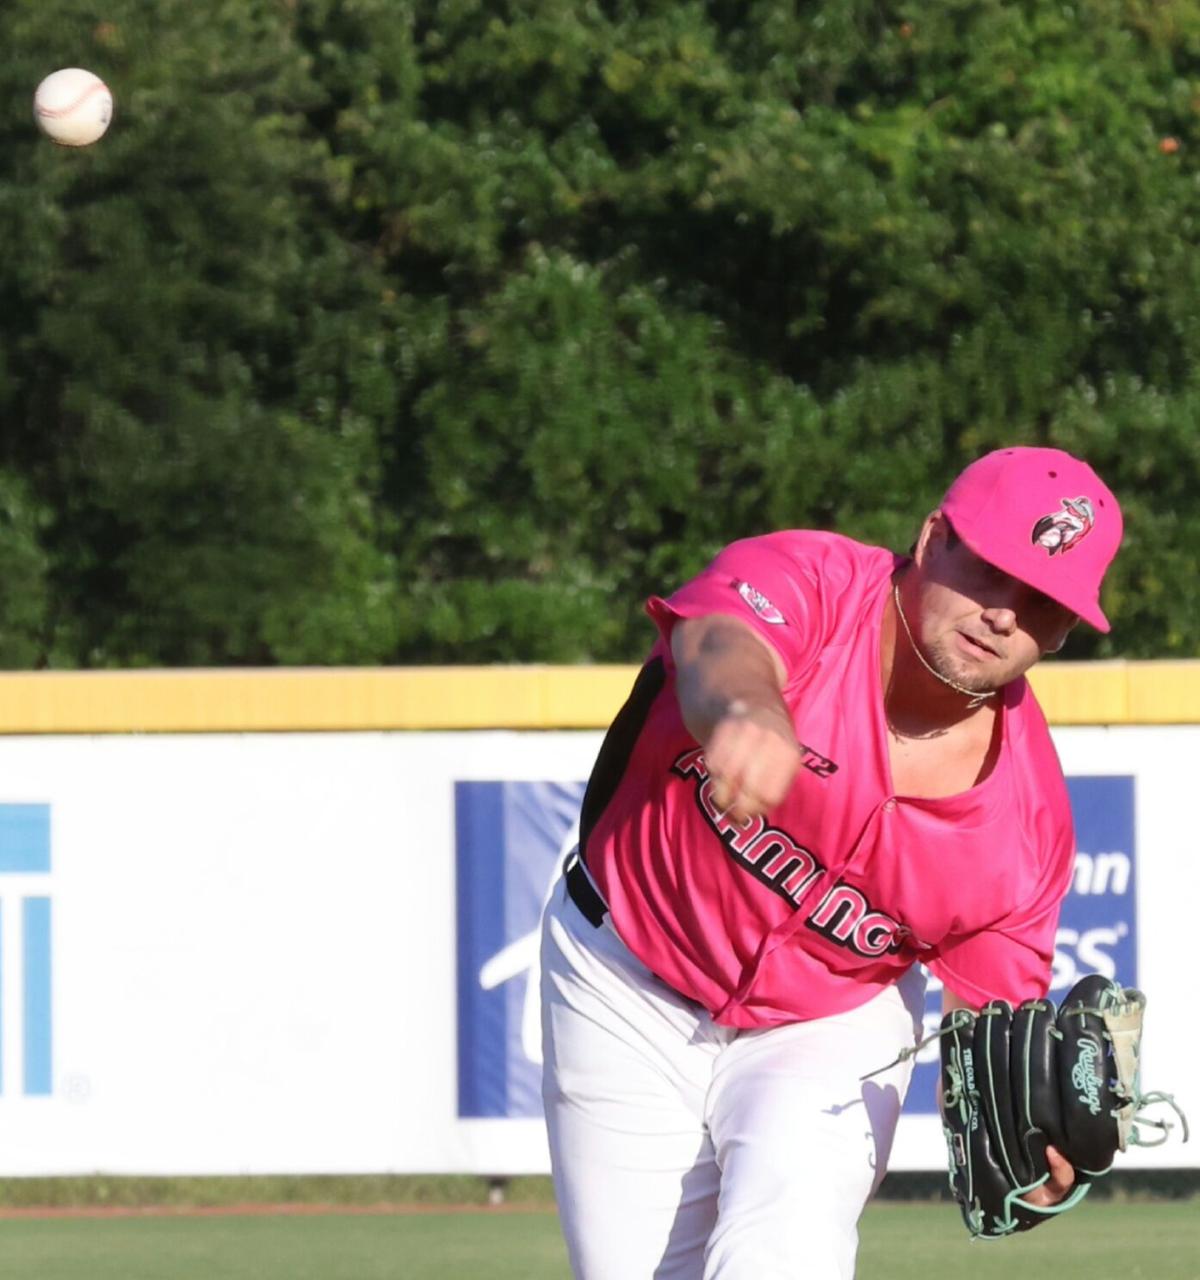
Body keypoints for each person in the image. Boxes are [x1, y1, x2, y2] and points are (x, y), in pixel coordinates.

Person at [539, 446, 1124, 1279]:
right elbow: (716, 639)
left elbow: (995, 1032)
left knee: (786, 1247)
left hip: (830, 1020)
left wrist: (1034, 1148)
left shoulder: (1026, 824)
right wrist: (746, 707)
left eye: (1042, 602)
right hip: (624, 972)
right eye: (994, 571)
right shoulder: (814, 580)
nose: (1004, 613)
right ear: (933, 539)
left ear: (1063, 633)